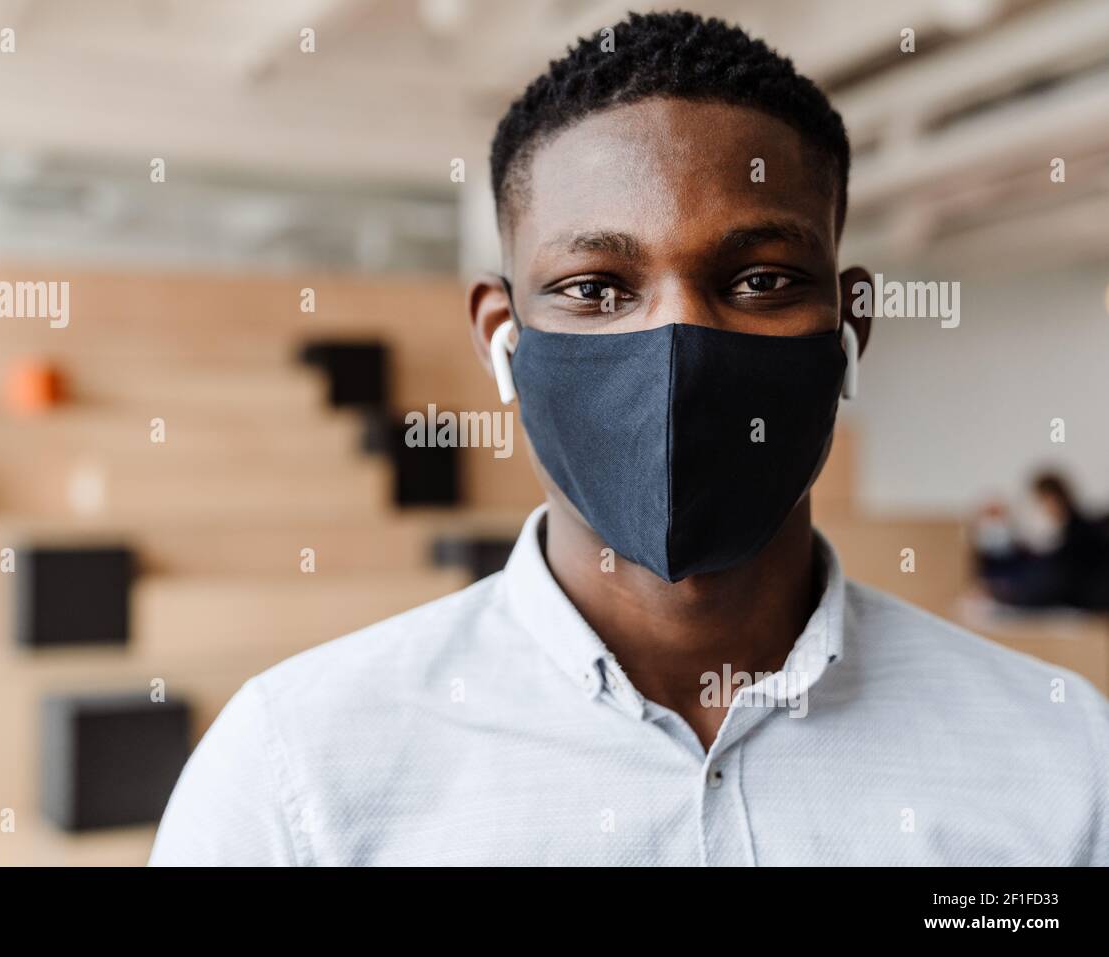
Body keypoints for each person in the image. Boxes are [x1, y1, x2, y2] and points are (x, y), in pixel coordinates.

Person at [150, 10, 1108, 866]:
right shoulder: (295, 773)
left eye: (762, 280)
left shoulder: (1064, 764)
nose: (677, 345)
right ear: (502, 337)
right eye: (596, 288)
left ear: (850, 327)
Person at [975, 472, 1109, 610]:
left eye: (1039, 501)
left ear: (1053, 499)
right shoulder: (1063, 533)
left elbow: (1053, 581)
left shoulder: (1080, 534)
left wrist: (1003, 594)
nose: (1038, 508)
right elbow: (1029, 560)